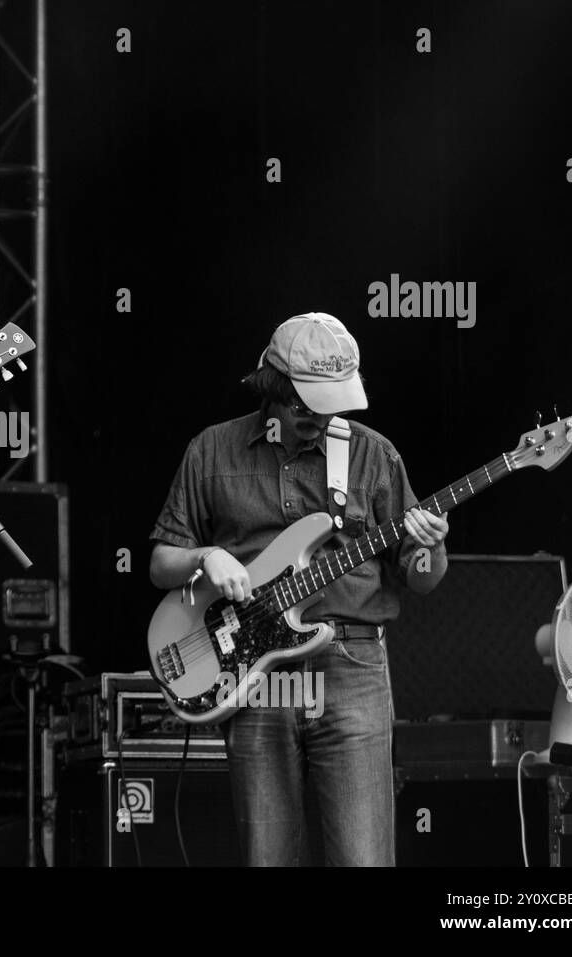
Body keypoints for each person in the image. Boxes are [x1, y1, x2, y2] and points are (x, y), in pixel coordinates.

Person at [148, 312, 449, 866]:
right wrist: (206, 556)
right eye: (303, 404)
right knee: (269, 858)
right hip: (252, 671)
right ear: (272, 390)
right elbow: (162, 564)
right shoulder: (212, 450)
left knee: (364, 858)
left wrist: (430, 543)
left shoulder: (372, 455)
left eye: (329, 403)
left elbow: (421, 579)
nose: (318, 416)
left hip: (352, 666)